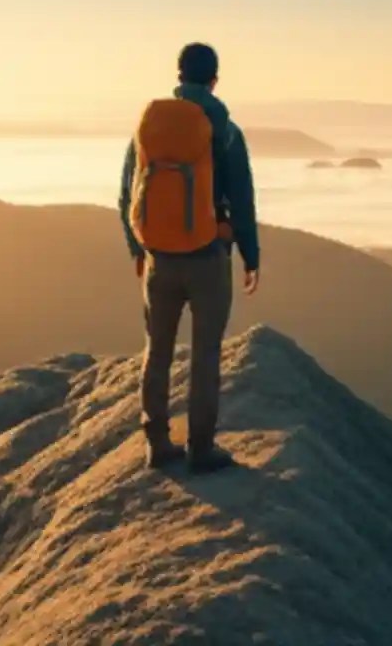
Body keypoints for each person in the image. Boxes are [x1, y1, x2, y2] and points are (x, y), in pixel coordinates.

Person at [118, 42, 260, 473]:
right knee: (205, 354)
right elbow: (242, 197)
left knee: (156, 349)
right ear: (214, 79)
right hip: (207, 256)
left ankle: (157, 444)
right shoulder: (224, 129)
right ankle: (201, 448)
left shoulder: (149, 126)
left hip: (159, 257)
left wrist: (137, 247)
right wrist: (250, 255)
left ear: (178, 77)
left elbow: (127, 192)